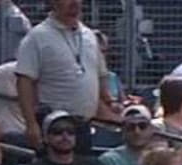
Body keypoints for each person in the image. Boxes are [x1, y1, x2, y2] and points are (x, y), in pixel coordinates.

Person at [15, 0, 115, 152]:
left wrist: (110, 102)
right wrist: (31, 124)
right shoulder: (37, 37)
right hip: (54, 126)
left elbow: (100, 75)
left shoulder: (89, 36)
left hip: (84, 126)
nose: (74, 2)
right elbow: (24, 82)